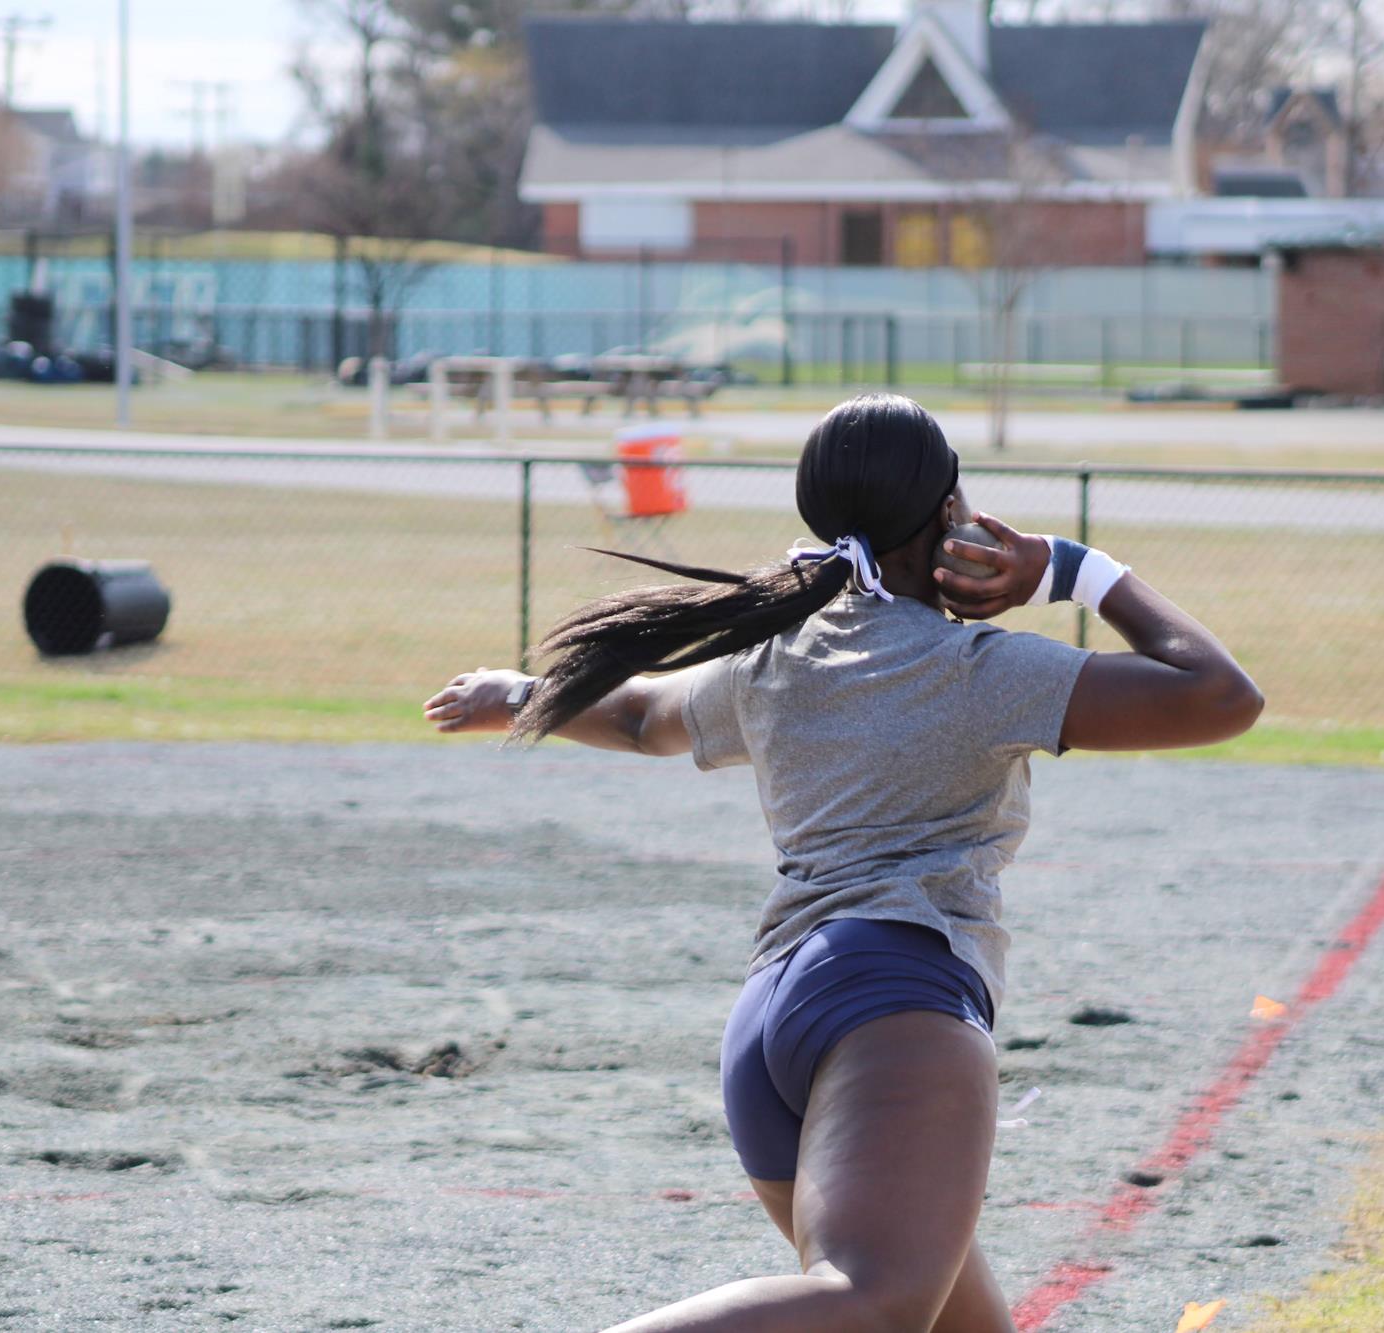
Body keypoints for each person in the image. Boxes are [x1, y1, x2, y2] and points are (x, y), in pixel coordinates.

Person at [423, 394, 1262, 1333]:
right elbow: (1223, 694)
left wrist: (521, 693)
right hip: (895, 1001)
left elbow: (636, 715)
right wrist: (1071, 567)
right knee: (875, 1298)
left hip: (774, 1021)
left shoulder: (776, 659)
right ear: (951, 515)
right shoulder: (978, 668)